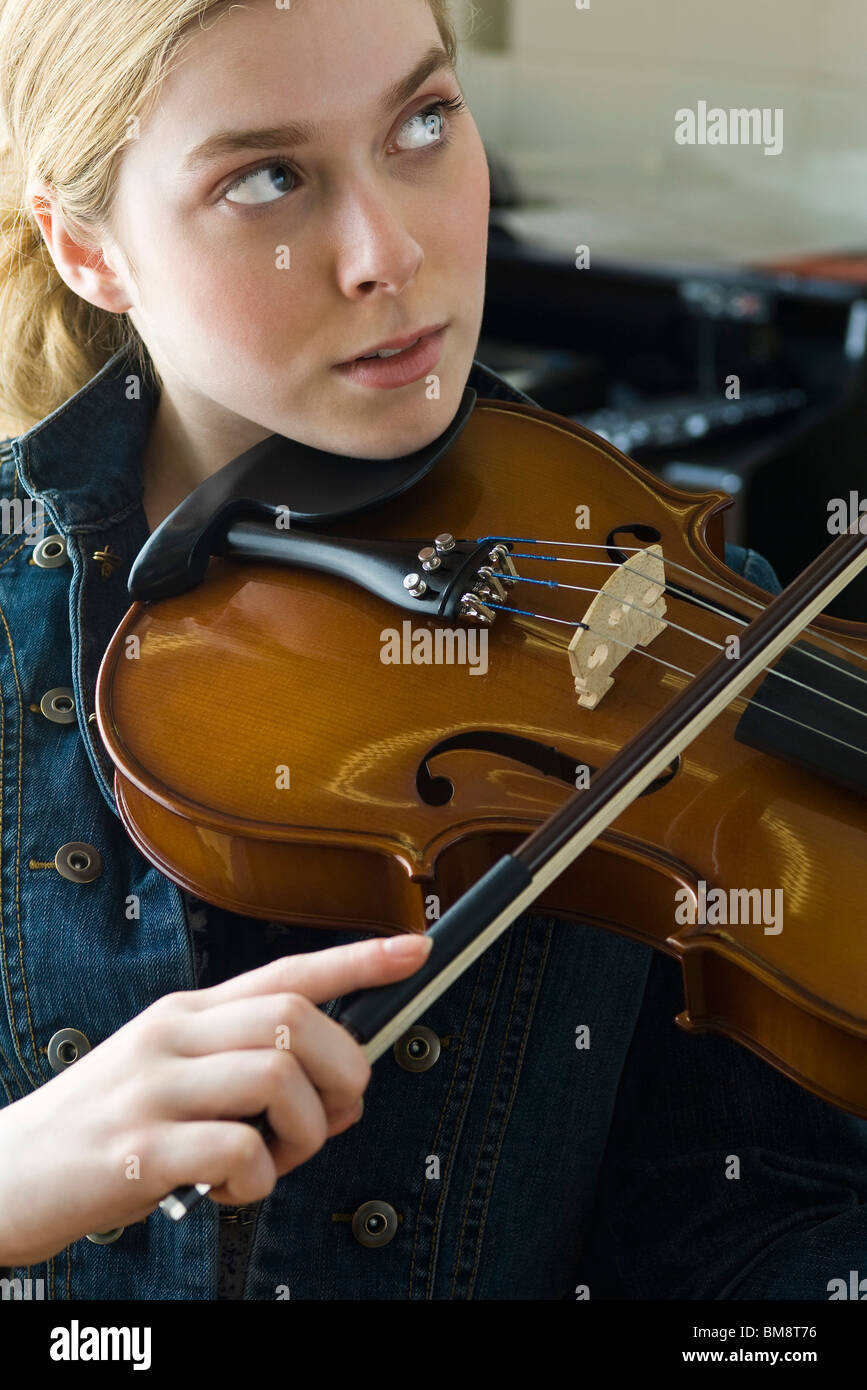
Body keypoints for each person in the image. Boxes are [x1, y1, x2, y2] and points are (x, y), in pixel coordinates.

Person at [0, 0, 864, 1302]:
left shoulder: (691, 627)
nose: (390, 250)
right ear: (87, 248)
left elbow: (732, 1231)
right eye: (269, 177)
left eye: (422, 121)